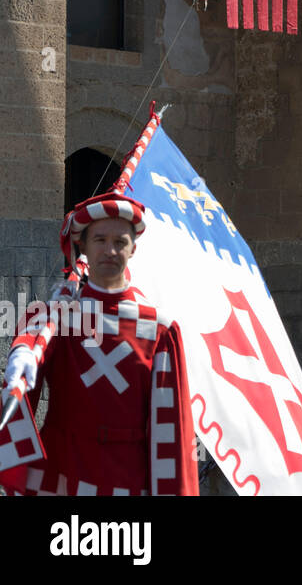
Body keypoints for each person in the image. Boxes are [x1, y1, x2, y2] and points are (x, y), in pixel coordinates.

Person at [2, 191, 198, 495]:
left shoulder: (159, 327)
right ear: (83, 246)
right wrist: (24, 350)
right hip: (61, 476)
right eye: (100, 240)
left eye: (120, 242)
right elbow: (35, 332)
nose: (110, 250)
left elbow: (171, 427)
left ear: (133, 249)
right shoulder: (60, 316)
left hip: (127, 481)